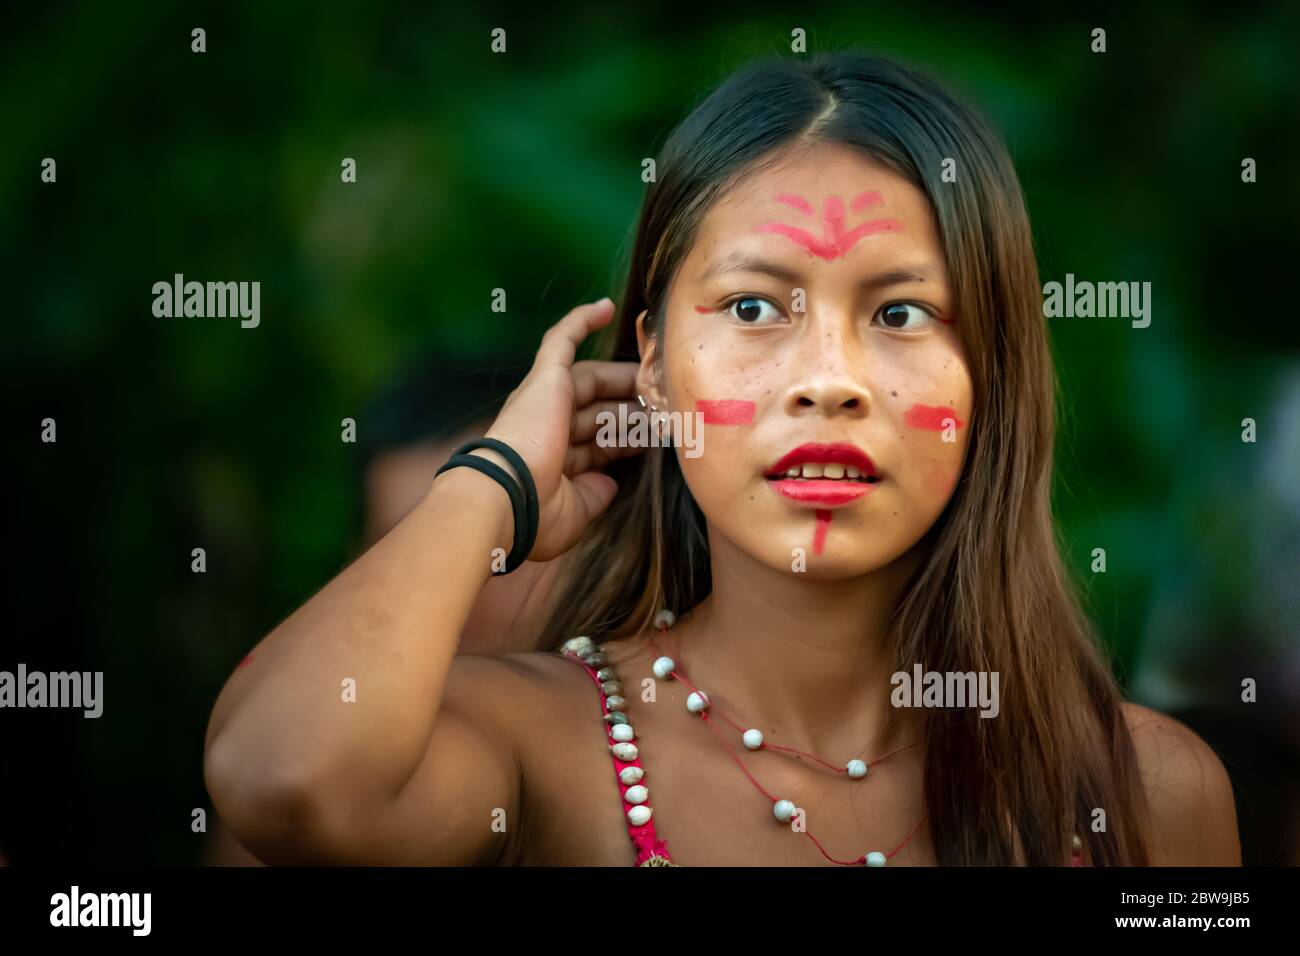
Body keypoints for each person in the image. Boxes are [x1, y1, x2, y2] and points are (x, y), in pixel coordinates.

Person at [203, 51, 1240, 866]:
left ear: (991, 372)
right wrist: (493, 481)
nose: (827, 378)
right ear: (650, 363)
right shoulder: (541, 751)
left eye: (899, 311)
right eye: (751, 307)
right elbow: (283, 775)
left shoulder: (1143, 792)